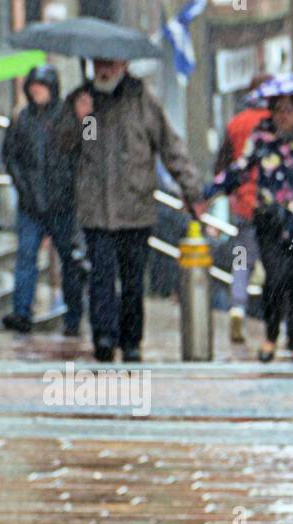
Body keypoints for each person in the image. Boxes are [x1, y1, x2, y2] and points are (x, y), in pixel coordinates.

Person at [54, 58, 205, 364]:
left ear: (123, 64)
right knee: (101, 277)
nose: (104, 70)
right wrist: (79, 118)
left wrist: (191, 189)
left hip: (136, 207)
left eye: (110, 64)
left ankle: (131, 340)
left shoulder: (141, 100)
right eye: (99, 63)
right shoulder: (82, 99)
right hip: (96, 210)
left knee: (134, 280)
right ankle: (105, 337)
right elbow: (62, 144)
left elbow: (169, 145)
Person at [203, 94, 293, 364]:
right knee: (276, 278)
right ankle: (271, 336)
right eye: (279, 110)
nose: (284, 116)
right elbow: (239, 169)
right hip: (270, 221)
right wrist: (209, 193)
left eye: (289, 111)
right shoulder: (262, 139)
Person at [2, 65, 85, 338]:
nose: (37, 91)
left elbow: (78, 157)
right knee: (26, 256)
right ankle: (21, 312)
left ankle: (74, 317)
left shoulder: (67, 118)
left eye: (42, 86)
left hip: (62, 205)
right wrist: (23, 187)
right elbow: (11, 157)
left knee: (69, 262)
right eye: (33, 86)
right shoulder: (22, 119)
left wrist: (68, 190)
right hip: (30, 204)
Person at [213, 74, 271, 346]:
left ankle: (237, 307)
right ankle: (275, 319)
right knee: (274, 263)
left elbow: (223, 163)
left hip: (244, 204)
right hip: (273, 204)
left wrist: (224, 192)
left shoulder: (236, 123)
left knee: (242, 261)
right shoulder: (274, 123)